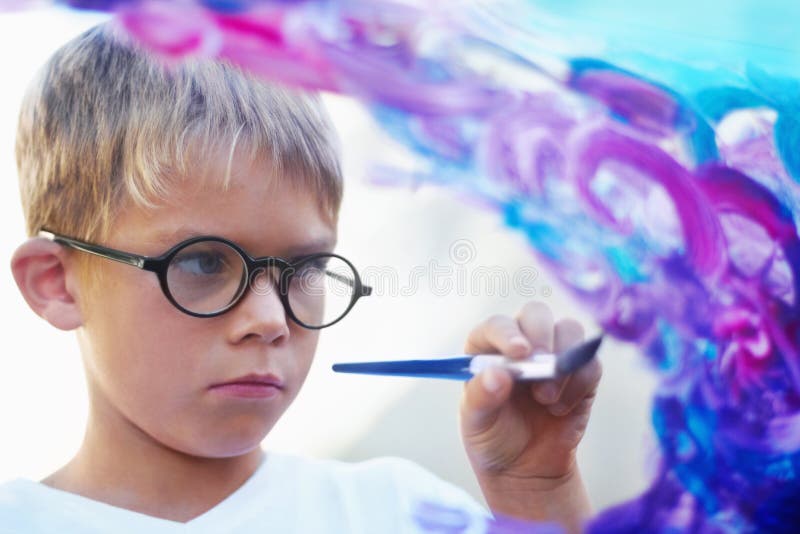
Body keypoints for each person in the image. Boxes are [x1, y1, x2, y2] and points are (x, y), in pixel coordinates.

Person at [0, 22, 601, 533]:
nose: (269, 320)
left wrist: (536, 494)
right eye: (203, 263)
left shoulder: (401, 513)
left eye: (305, 268)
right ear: (55, 282)